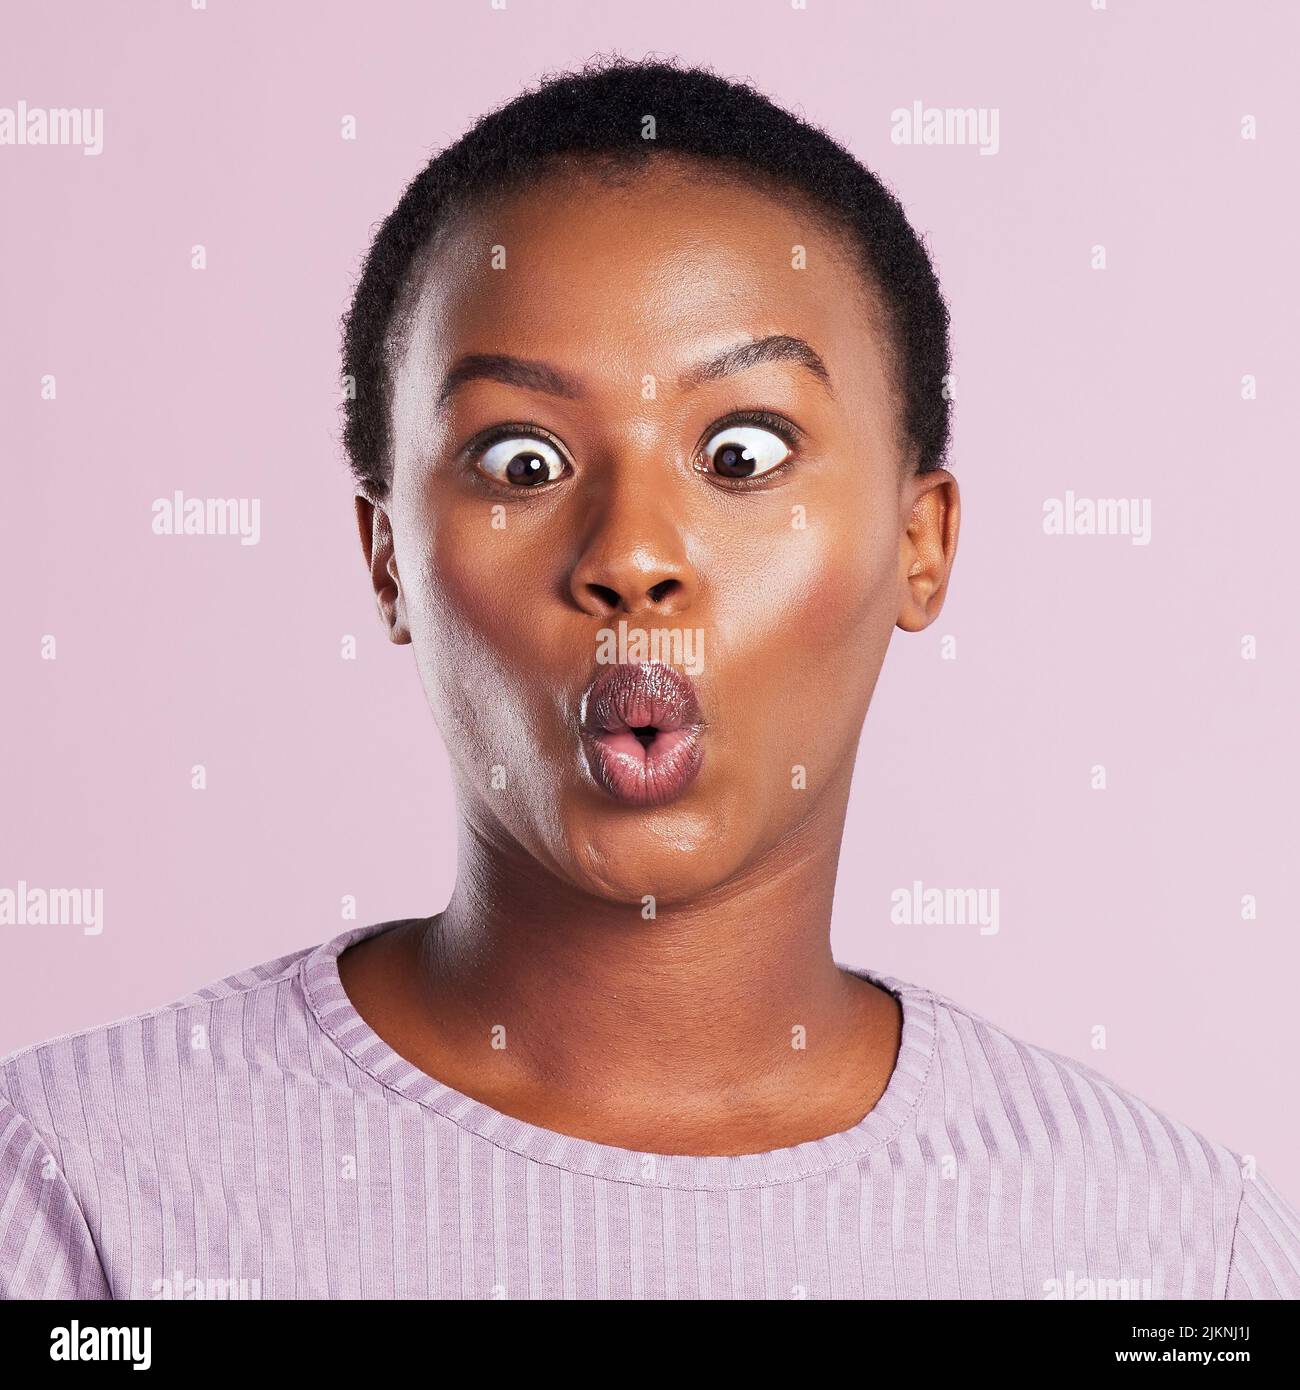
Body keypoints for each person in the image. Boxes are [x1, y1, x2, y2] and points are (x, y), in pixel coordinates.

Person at [2, 55, 1296, 1301]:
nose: (631, 558)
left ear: (920, 543)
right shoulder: (85, 1184)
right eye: (521, 461)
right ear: (388, 557)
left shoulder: (1175, 1246)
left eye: (741, 454)